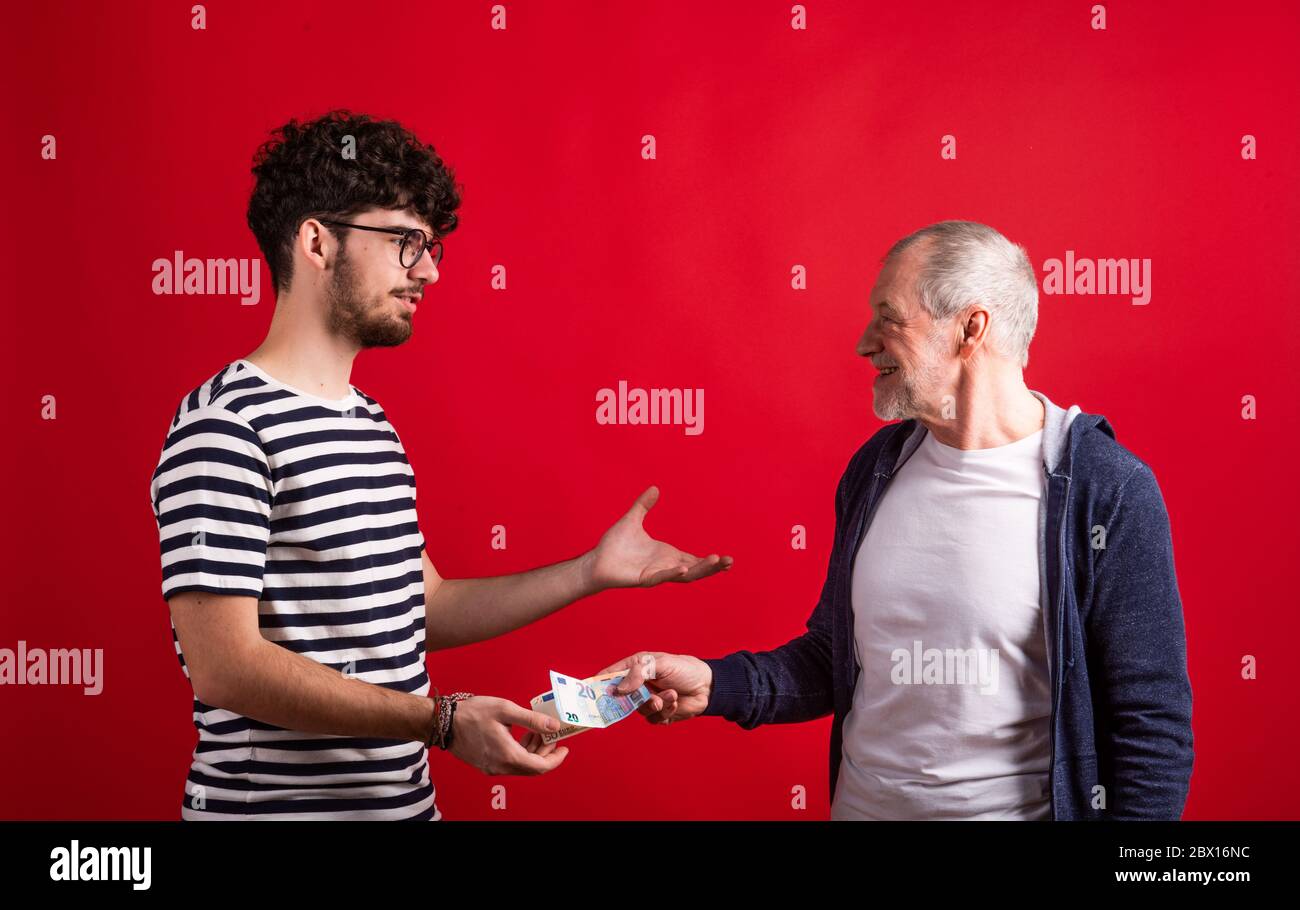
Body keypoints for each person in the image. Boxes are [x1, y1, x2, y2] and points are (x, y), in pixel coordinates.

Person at [148, 109, 732, 820]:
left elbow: (418, 609)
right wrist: (442, 723)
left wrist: (589, 572)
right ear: (315, 242)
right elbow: (224, 666)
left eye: (431, 247)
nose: (428, 269)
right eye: (404, 241)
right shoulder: (226, 426)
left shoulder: (371, 426)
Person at [582, 220, 1194, 820]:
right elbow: (834, 657)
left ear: (970, 329)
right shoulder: (878, 468)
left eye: (889, 317)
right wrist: (712, 683)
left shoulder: (1106, 489)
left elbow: (1150, 725)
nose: (864, 342)